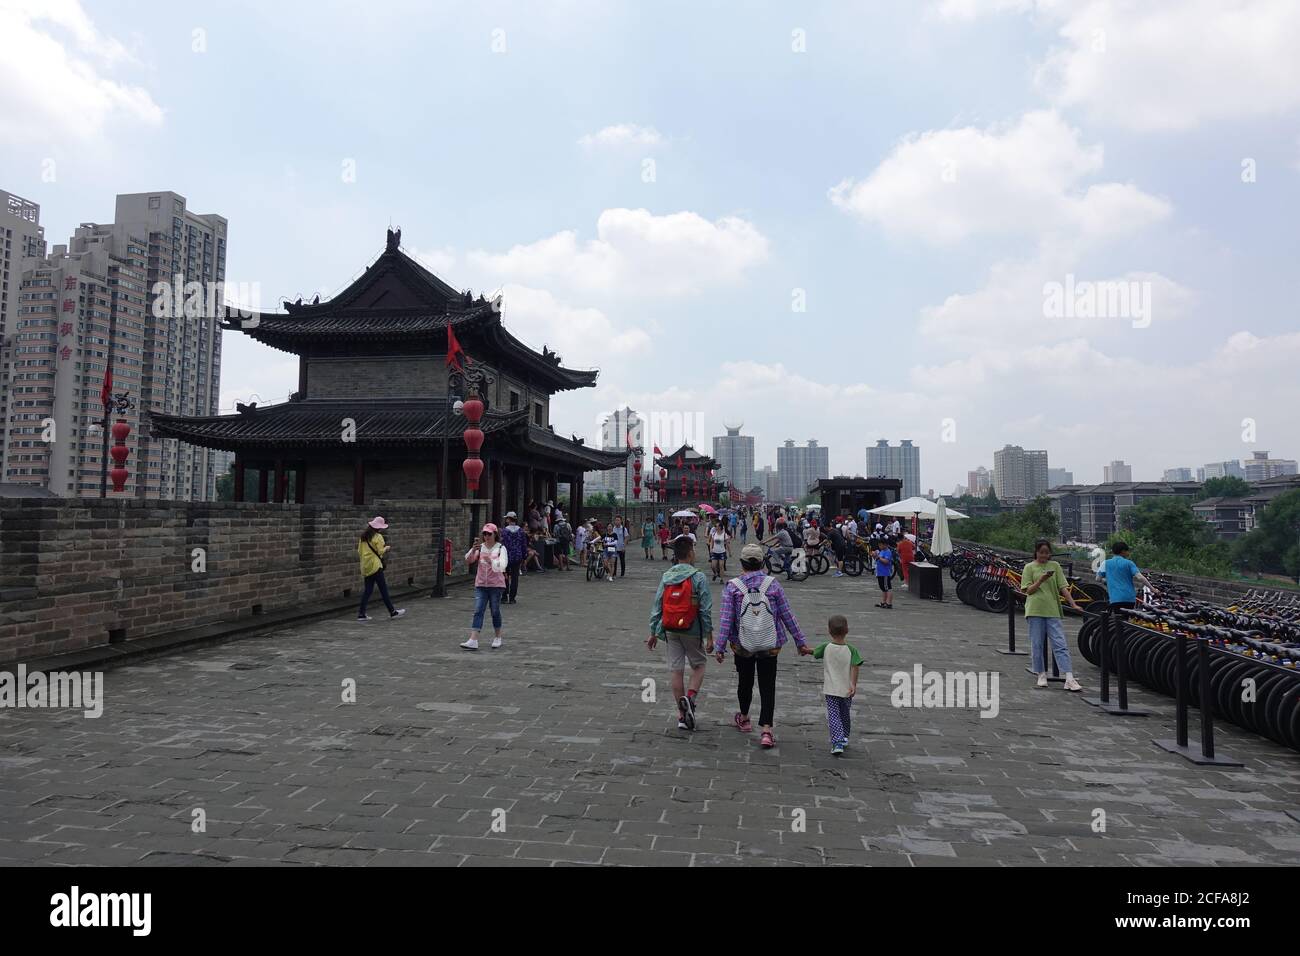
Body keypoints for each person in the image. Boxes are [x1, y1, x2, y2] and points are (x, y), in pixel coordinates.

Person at [714, 542, 812, 749]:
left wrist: (720, 647)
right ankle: (767, 730)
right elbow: (787, 615)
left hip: (742, 645)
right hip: (770, 644)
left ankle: (745, 718)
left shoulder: (733, 587)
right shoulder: (773, 584)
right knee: (768, 685)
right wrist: (800, 642)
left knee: (745, 681)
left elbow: (726, 620)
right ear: (761, 562)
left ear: (742, 563)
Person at [647, 535, 714, 730]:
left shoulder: (667, 576)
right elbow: (705, 610)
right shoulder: (698, 576)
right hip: (692, 629)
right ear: (691, 553)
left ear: (675, 555)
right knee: (699, 665)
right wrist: (709, 636)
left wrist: (653, 632)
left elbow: (657, 606)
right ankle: (690, 699)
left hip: (670, 629)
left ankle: (682, 715)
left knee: (676, 671)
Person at [1022, 539, 1083, 691]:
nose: (1044, 555)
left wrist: (1073, 603)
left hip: (1052, 610)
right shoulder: (1029, 567)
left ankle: (1069, 677)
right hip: (1035, 609)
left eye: (1046, 552)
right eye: (1041, 552)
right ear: (1036, 552)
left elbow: (1063, 587)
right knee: (1037, 643)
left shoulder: (1055, 566)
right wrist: (1041, 579)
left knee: (1060, 643)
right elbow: (1028, 590)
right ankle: (1041, 673)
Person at [812, 615, 862, 756]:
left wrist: (804, 650)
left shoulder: (825, 647)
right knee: (845, 714)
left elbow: (815, 652)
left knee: (834, 715)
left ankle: (837, 741)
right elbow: (855, 666)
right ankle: (844, 736)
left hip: (831, 689)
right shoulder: (852, 650)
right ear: (847, 630)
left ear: (829, 631)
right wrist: (853, 684)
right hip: (846, 689)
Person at [461, 523, 507, 650]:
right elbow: (468, 560)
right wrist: (473, 550)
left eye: (489, 534)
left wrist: (491, 561)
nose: (486, 536)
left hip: (496, 585)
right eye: (484, 534)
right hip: (481, 584)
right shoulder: (480, 548)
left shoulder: (500, 548)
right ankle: (473, 639)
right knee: (478, 610)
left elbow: (503, 566)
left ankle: (498, 637)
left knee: (495, 611)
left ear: (495, 534)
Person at [357, 516, 406, 621]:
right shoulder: (378, 537)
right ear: (379, 528)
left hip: (366, 566)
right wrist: (386, 548)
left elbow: (359, 552)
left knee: (368, 591)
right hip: (376, 566)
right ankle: (392, 612)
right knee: (383, 590)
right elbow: (380, 551)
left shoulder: (363, 537)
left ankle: (361, 614)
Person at [1102, 540, 1157, 609]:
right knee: (1126, 618)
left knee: (1117, 618)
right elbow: (1140, 577)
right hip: (1129, 598)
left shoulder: (1105, 563)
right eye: (1127, 551)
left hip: (1114, 598)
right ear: (1123, 551)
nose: (1128, 553)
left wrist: (1107, 581)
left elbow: (1098, 578)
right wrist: (1152, 589)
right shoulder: (1129, 563)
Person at [500, 511, 527, 603]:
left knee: (505, 575)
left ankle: (504, 596)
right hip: (517, 556)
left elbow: (502, 544)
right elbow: (524, 545)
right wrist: (524, 556)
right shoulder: (521, 531)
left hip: (506, 556)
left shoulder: (504, 531)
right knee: (515, 577)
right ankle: (512, 598)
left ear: (508, 519)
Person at [873, 538, 895, 608]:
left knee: (887, 588)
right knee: (883, 588)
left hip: (885, 573)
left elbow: (886, 561)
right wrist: (875, 556)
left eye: (880, 545)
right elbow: (877, 559)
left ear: (885, 545)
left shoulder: (888, 552)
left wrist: (879, 557)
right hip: (880, 573)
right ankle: (883, 602)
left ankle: (889, 603)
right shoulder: (881, 551)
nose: (879, 547)